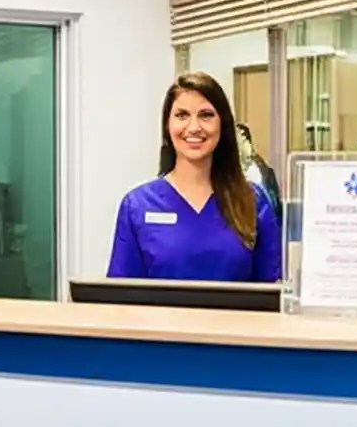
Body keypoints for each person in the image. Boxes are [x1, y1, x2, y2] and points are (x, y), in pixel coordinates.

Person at [107, 72, 281, 282]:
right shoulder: (137, 206)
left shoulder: (252, 202)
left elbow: (271, 292)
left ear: (223, 124)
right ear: (167, 125)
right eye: (182, 115)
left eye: (206, 115)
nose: (194, 127)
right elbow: (120, 296)